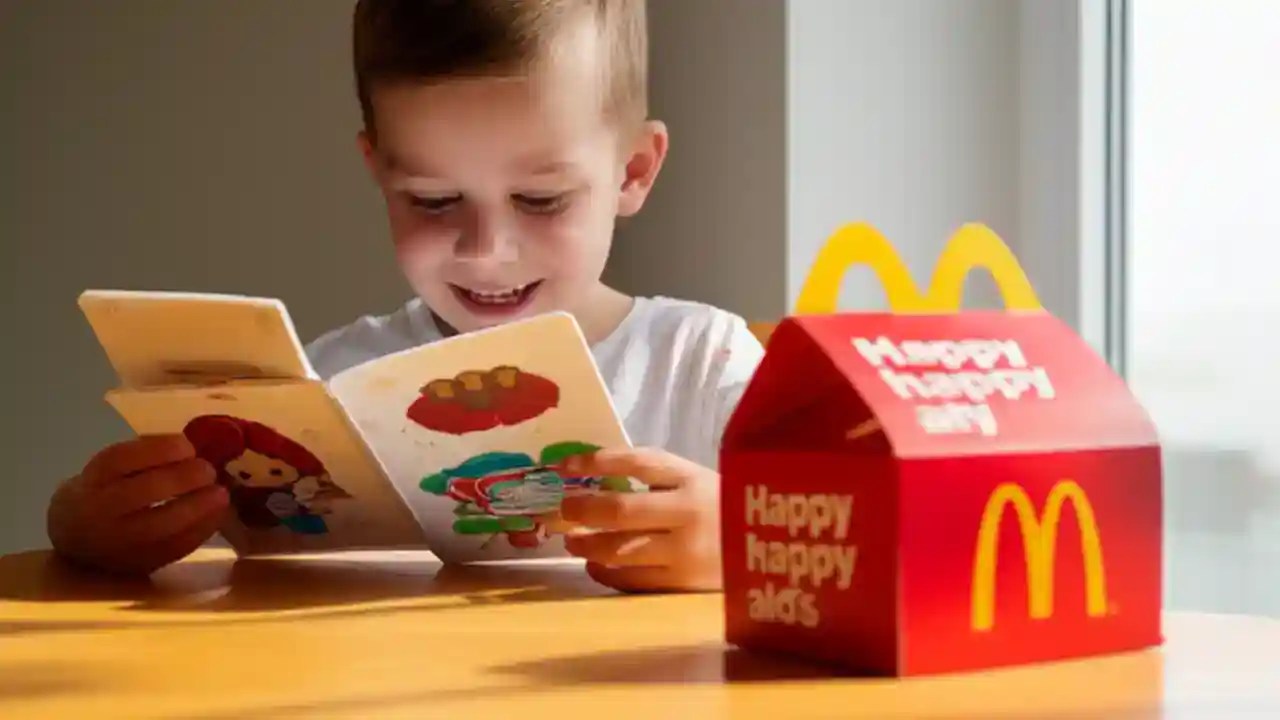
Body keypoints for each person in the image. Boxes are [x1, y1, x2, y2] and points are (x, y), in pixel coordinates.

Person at [46, 0, 764, 592]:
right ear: (379, 172)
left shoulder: (697, 362)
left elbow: (866, 539)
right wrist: (85, 525)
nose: (486, 249)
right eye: (433, 199)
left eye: (540, 200)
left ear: (633, 171)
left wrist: (747, 543)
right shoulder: (331, 384)